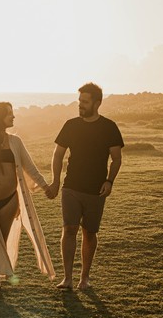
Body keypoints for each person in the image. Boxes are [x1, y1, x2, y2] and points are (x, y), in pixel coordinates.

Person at [0, 102, 57, 300]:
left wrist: (45, 187)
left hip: (9, 201)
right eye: (9, 114)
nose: (13, 117)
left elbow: (29, 167)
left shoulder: (15, 142)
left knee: (1, 241)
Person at [47, 82, 124, 290]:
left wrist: (109, 181)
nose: (80, 104)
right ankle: (67, 278)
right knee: (69, 229)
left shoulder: (109, 127)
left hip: (96, 190)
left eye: (85, 101)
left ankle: (85, 278)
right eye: (79, 100)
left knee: (89, 233)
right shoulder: (71, 125)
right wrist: (56, 181)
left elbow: (116, 158)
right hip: (71, 187)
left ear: (97, 103)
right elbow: (58, 154)